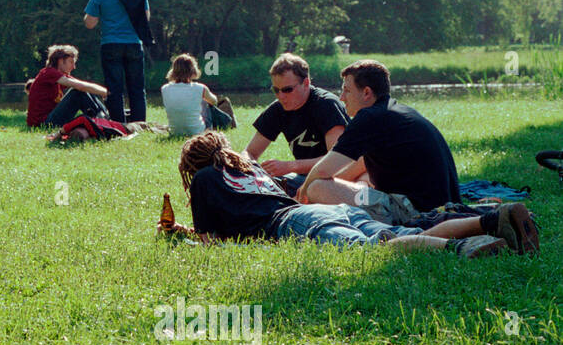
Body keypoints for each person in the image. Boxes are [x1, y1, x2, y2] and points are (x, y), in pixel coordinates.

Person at [170, 131, 534, 256]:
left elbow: (210, 241)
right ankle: (490, 222)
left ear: (193, 165)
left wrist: (180, 236)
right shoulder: (248, 169)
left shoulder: (204, 180)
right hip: (331, 210)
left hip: (297, 224)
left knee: (380, 247)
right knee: (407, 234)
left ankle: (465, 248)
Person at [298, 60, 459, 213]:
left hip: (416, 211)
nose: (341, 98)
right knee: (360, 177)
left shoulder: (369, 117)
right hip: (442, 205)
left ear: (366, 92)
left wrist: (301, 196)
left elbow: (323, 171)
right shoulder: (395, 111)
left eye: (347, 90)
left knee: (317, 187)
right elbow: (352, 166)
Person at [244, 53, 350, 193]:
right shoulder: (278, 109)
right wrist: (249, 170)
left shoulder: (327, 105)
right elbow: (249, 152)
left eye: (287, 90)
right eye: (276, 90)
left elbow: (338, 160)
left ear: (306, 83)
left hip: (335, 180)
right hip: (303, 179)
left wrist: (290, 166)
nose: (281, 96)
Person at [83, 0, 152, 124]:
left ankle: (117, 124)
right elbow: (146, 17)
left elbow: (90, 23)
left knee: (114, 88)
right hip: (134, 44)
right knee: (137, 88)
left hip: (111, 44)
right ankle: (139, 124)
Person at [25, 45, 110, 128]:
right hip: (43, 124)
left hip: (49, 120)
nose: (74, 67)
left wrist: (105, 92)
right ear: (61, 61)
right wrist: (106, 92)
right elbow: (80, 86)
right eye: (71, 62)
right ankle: (105, 121)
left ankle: (107, 116)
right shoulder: (48, 72)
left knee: (84, 89)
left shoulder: (58, 75)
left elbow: (83, 85)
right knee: (77, 92)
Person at [160, 53, 233, 136]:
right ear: (193, 70)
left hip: (174, 132)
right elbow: (214, 101)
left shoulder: (165, 88)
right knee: (206, 104)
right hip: (198, 132)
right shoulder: (200, 88)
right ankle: (228, 122)